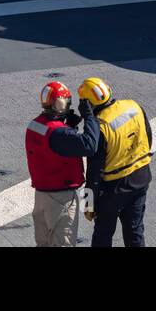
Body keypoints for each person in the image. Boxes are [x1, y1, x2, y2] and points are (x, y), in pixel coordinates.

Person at [78, 77, 153, 248]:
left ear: (87, 105)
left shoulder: (100, 126)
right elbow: (148, 138)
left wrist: (88, 203)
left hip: (113, 189)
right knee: (135, 231)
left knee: (103, 235)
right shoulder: (133, 105)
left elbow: (94, 172)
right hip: (141, 178)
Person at [25, 80, 99, 247]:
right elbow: (89, 146)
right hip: (61, 199)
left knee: (43, 243)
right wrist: (89, 118)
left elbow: (52, 146)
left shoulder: (35, 125)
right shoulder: (58, 133)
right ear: (60, 103)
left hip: (42, 196)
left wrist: (69, 126)